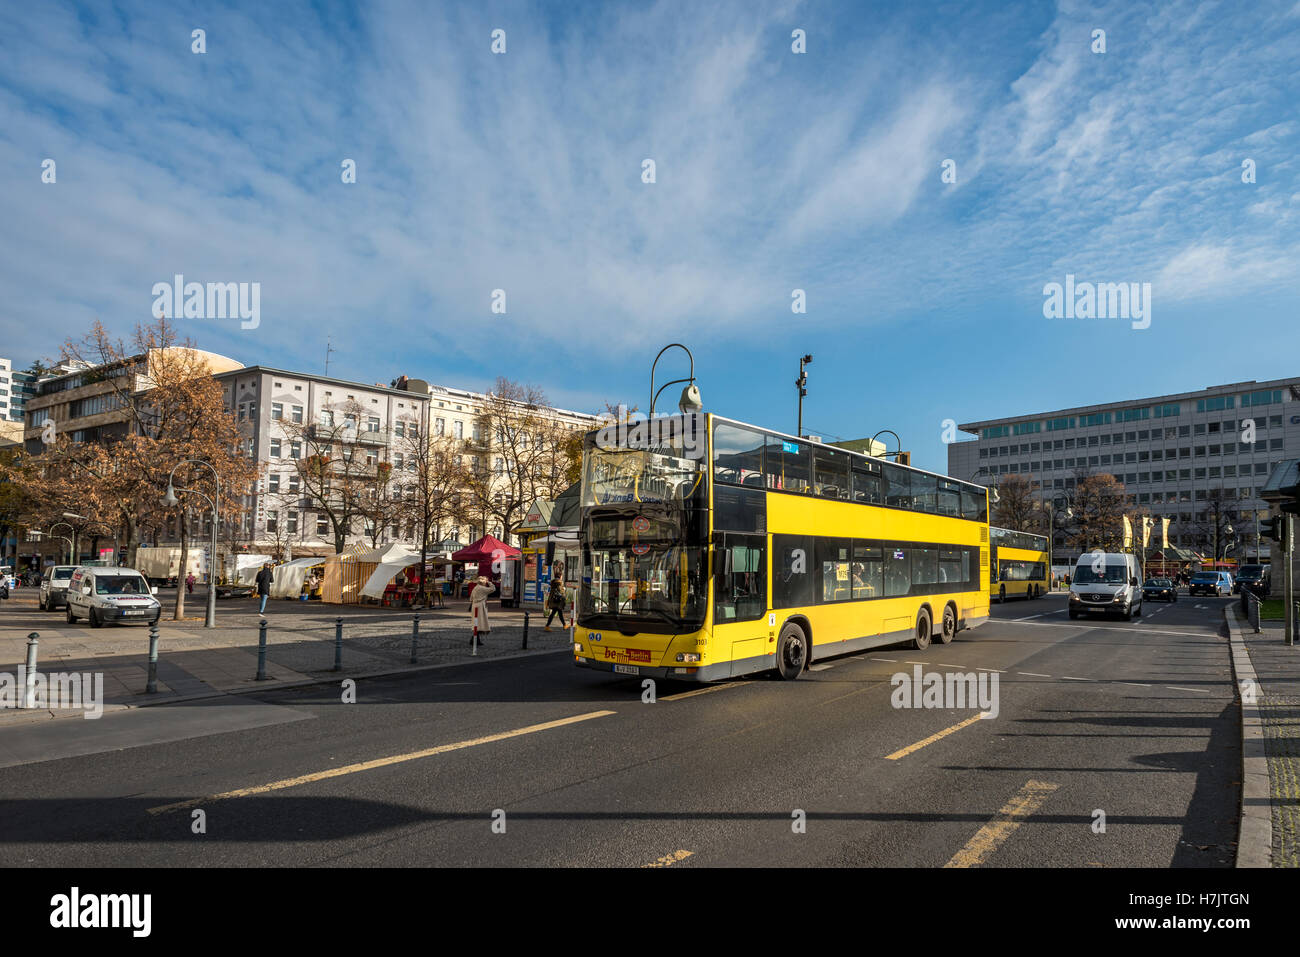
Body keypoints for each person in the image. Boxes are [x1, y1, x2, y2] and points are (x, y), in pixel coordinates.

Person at [469, 574, 493, 643]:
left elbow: (471, 598)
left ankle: (476, 639)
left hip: (475, 606)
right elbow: (493, 589)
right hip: (480, 607)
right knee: (480, 623)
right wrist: (489, 582)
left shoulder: (475, 588)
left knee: (477, 623)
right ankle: (474, 639)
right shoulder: (482, 588)